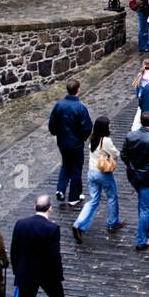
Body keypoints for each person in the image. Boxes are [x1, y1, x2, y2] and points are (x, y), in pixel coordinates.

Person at [9, 195, 75, 297]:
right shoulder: (51, 228)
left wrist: (17, 271)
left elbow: (14, 251)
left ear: (35, 208)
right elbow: (54, 256)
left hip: (26, 274)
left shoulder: (20, 224)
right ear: (50, 209)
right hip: (47, 273)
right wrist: (58, 274)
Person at [120, 111, 149, 251]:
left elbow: (124, 155)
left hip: (134, 175)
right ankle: (141, 239)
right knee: (146, 207)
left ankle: (145, 222)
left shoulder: (130, 136)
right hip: (148, 177)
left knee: (141, 200)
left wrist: (131, 166)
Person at [72, 116, 122, 243]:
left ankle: (79, 223)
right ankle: (112, 221)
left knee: (93, 200)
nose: (110, 126)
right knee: (112, 196)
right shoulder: (106, 140)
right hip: (102, 173)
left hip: (91, 172)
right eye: (109, 124)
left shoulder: (92, 138)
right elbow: (115, 153)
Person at [48, 78, 93, 207]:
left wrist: (57, 133)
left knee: (66, 165)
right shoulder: (81, 107)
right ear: (78, 90)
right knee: (76, 168)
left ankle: (60, 189)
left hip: (62, 141)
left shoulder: (59, 105)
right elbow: (87, 127)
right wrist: (81, 138)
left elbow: (52, 124)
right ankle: (74, 196)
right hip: (76, 144)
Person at [130, 59, 149, 131]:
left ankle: (135, 128)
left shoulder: (140, 74)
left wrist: (138, 95)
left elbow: (137, 87)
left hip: (142, 96)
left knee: (140, 112)